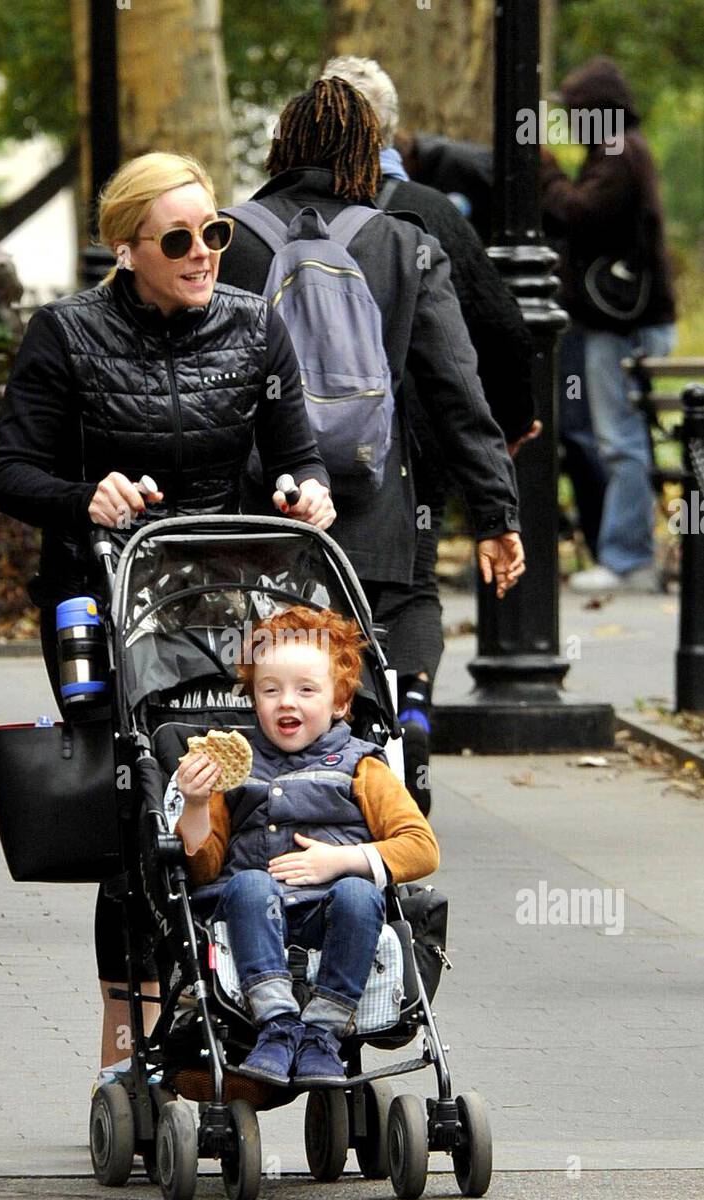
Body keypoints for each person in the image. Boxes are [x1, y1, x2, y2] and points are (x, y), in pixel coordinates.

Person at [0, 151, 336, 1068]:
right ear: (126, 248)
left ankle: (249, 994)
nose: (202, 253)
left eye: (212, 232)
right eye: (177, 239)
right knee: (132, 797)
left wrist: (308, 491)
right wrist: (84, 496)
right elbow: (9, 474)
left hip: (222, 597)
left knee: (226, 790)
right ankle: (126, 1027)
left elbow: (300, 452)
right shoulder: (65, 334)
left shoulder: (258, 328)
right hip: (96, 594)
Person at [217, 78, 525, 813]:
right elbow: (456, 388)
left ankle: (260, 815)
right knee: (381, 631)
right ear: (367, 151)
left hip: (254, 511)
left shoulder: (224, 240)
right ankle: (386, 750)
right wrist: (495, 514)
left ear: (280, 149)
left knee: (267, 670)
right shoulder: (405, 244)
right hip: (374, 507)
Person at [320, 56, 538, 807]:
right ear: (386, 129)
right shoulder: (429, 211)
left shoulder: (265, 215)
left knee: (318, 584)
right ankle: (408, 702)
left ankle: (330, 733)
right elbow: (504, 331)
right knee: (409, 585)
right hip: (412, 438)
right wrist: (511, 427)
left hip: (302, 446)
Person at [175, 606, 440, 1086]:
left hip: (333, 918)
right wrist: (194, 805)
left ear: (340, 701)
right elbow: (202, 868)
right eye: (270, 689)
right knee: (251, 883)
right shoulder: (233, 772)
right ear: (254, 699)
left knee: (360, 892)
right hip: (251, 917)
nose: (285, 702)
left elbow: (422, 848)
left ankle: (323, 1030)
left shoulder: (362, 767)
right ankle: (277, 1024)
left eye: (305, 690)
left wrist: (340, 861)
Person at [541, 58, 677, 593]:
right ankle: (627, 556)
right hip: (624, 320)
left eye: (574, 113)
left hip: (622, 324)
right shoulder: (619, 150)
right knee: (622, 438)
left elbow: (580, 213)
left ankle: (626, 560)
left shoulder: (618, 152)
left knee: (619, 441)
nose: (570, 123)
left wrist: (545, 172)